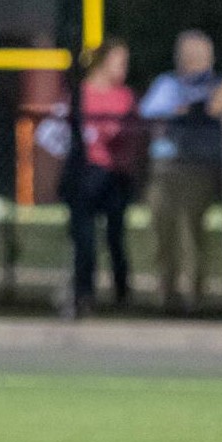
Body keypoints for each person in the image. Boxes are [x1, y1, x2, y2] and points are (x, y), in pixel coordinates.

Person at [137, 30, 222, 312]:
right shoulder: (167, 83)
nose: (192, 60)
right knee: (163, 232)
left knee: (191, 233)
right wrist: (180, 110)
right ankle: (167, 294)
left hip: (199, 167)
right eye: (187, 54)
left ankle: (196, 296)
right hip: (165, 168)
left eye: (198, 54)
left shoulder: (218, 85)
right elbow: (149, 112)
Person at [61, 40, 142, 319]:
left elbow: (132, 136)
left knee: (115, 237)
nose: (123, 67)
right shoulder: (79, 95)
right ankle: (84, 295)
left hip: (116, 176)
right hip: (86, 174)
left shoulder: (125, 96)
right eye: (118, 60)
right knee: (85, 238)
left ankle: (122, 294)